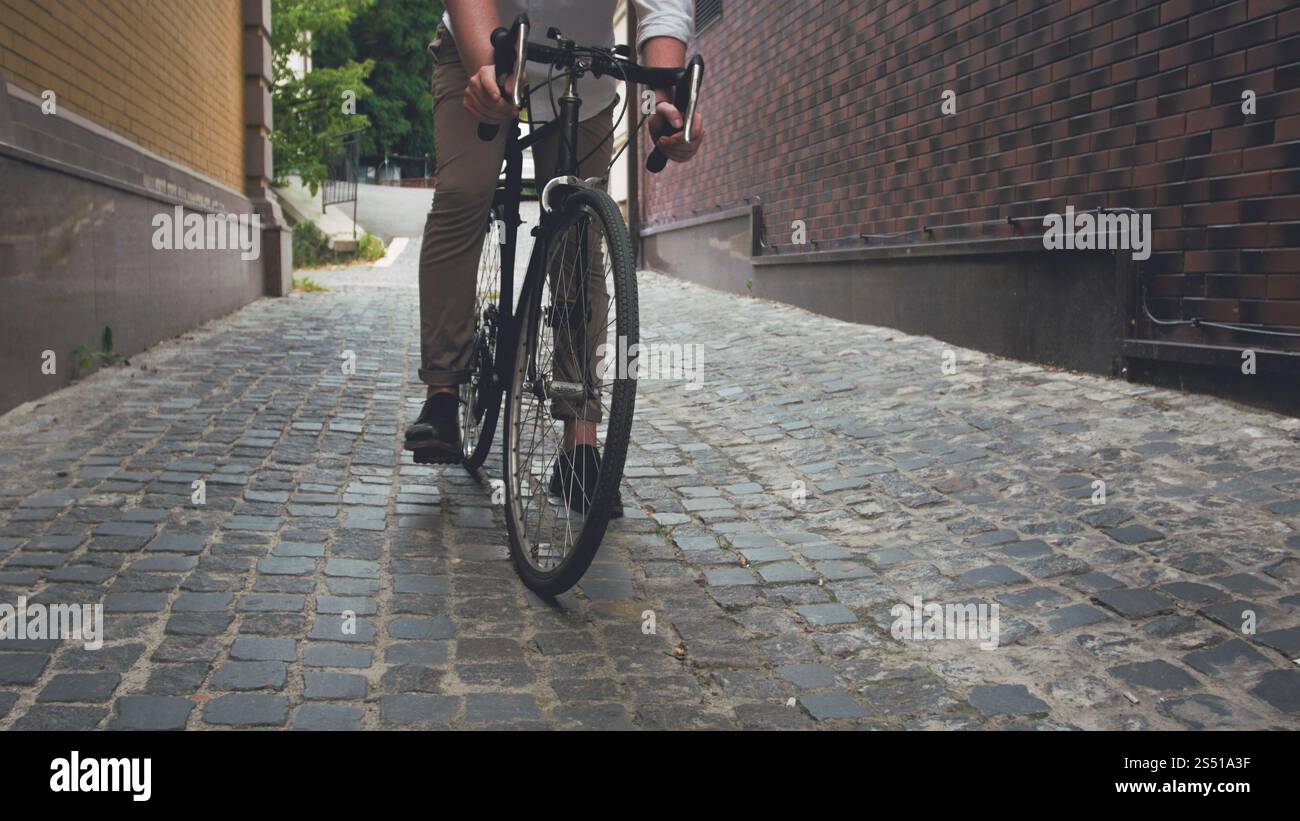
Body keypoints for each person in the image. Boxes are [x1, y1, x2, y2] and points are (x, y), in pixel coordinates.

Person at [405, 0, 703, 514]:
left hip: (583, 67)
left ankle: (579, 441)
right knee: (463, 193)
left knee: (579, 231)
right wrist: (487, 66)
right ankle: (444, 392)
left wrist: (666, 101)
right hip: (481, 42)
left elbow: (663, 9)